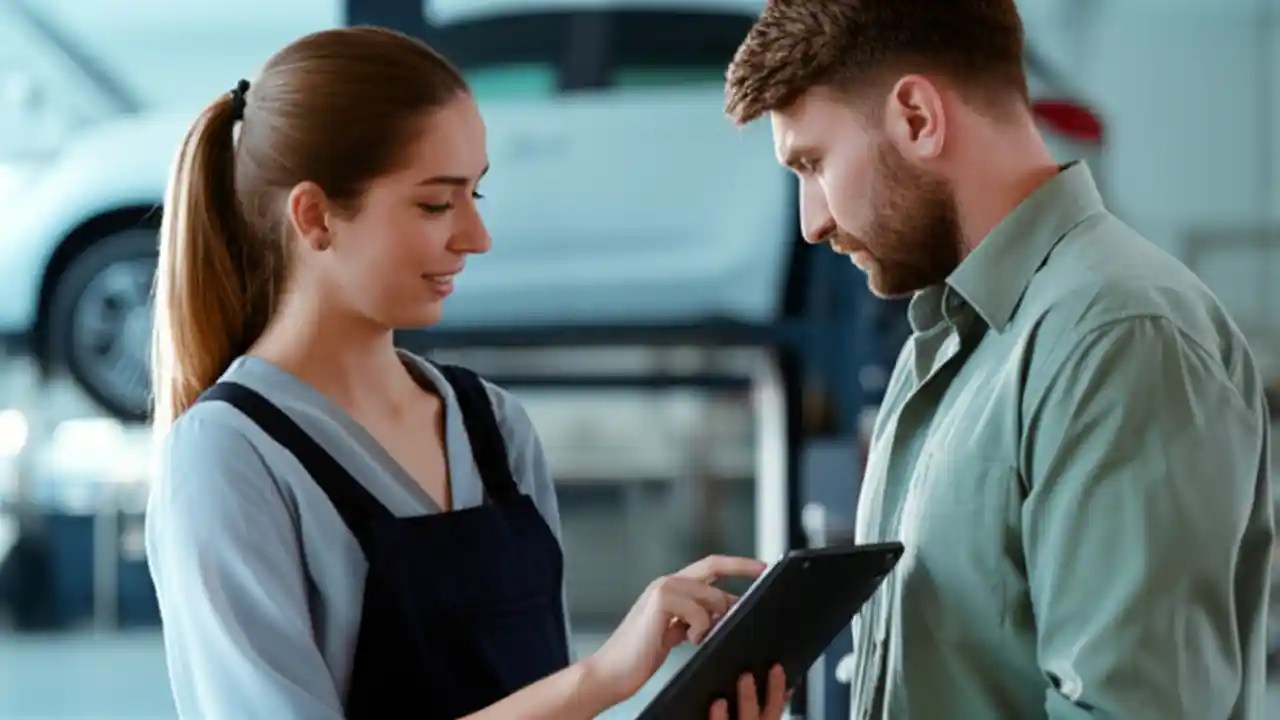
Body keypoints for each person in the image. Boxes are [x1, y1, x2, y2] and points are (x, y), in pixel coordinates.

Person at [144, 26, 789, 720]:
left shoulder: (496, 427)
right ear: (315, 215)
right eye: (434, 204)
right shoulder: (227, 457)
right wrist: (599, 679)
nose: (476, 238)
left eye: (475, 196)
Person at [724, 1, 1274, 718]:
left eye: (813, 163)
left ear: (917, 117)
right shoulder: (946, 344)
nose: (812, 221)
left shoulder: (1119, 334)